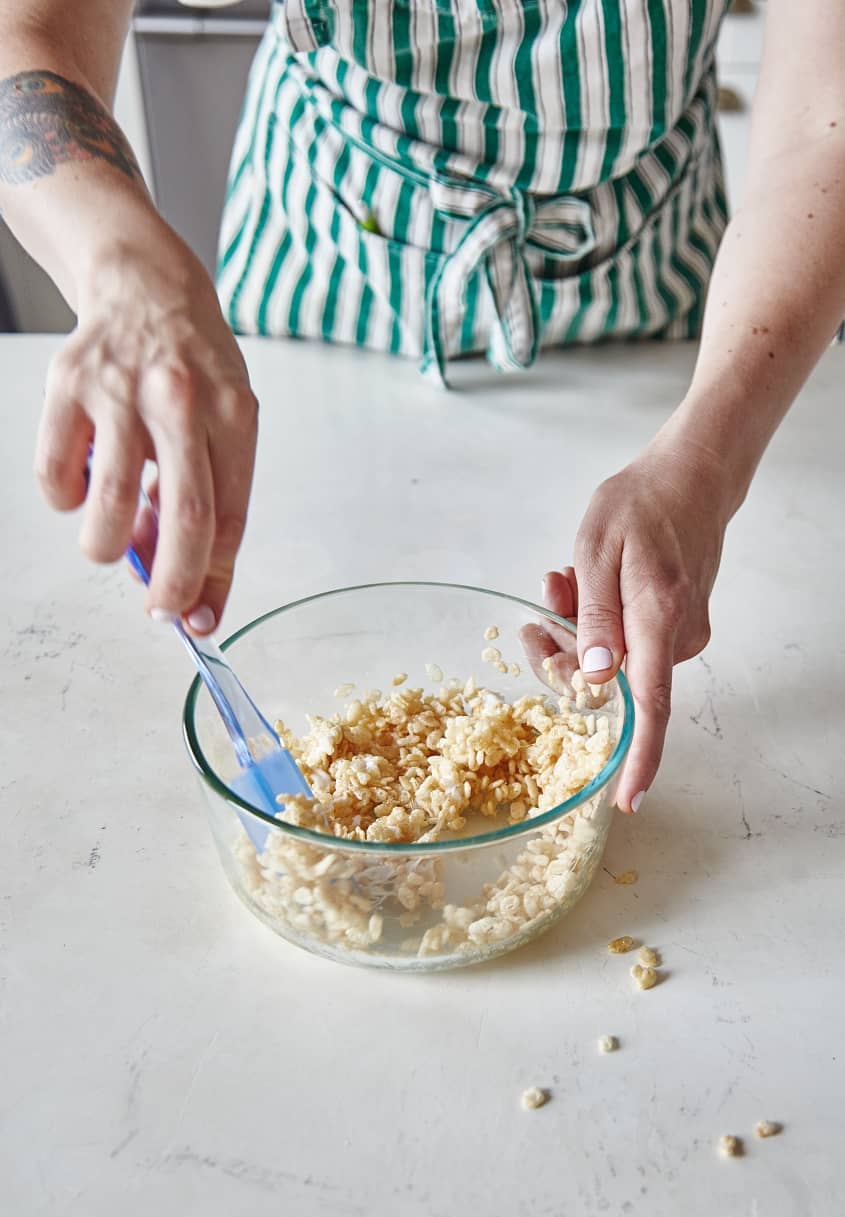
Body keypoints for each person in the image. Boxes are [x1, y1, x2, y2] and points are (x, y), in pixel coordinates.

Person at [0, 1, 842, 816]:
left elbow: (823, 123)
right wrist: (118, 262)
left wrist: (705, 457)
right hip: (313, 288)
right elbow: (30, 28)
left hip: (675, 317)